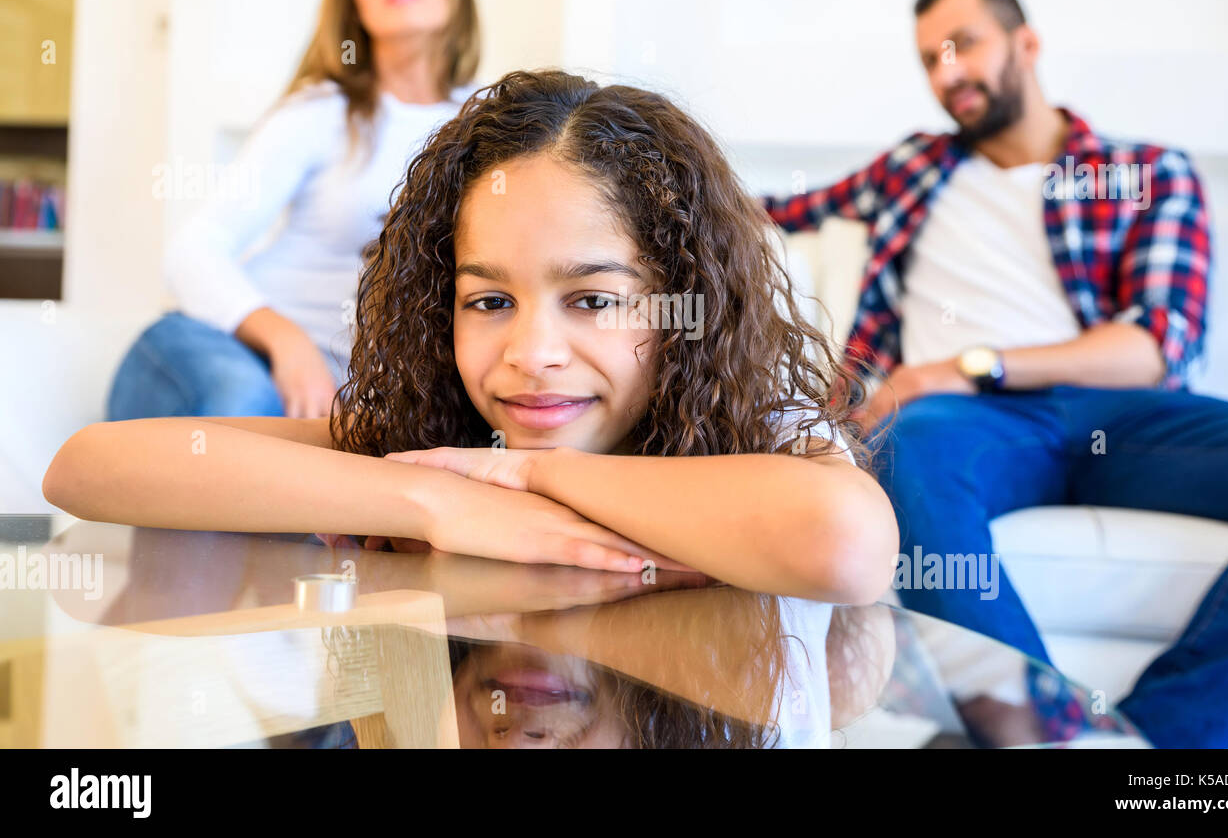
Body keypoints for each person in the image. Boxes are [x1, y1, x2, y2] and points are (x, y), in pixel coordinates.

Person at [44, 70, 899, 612]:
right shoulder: (447, 439)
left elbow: (849, 546)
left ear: (686, 307)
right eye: (489, 299)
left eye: (593, 299)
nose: (532, 352)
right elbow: (88, 466)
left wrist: (525, 471)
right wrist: (439, 501)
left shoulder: (745, 428)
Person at [760, 0, 1228, 748]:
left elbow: (1153, 345)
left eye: (964, 44)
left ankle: (1140, 742)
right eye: (930, 59)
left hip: (1118, 412)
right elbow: (758, 211)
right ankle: (1041, 736)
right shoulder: (911, 170)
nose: (949, 73)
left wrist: (963, 364)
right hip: (962, 425)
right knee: (905, 438)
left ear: (1027, 42)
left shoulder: (1144, 173)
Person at [107, 0, 481, 420]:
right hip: (228, 352)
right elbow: (192, 250)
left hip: (347, 394)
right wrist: (288, 345)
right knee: (248, 408)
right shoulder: (322, 111)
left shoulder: (486, 122)